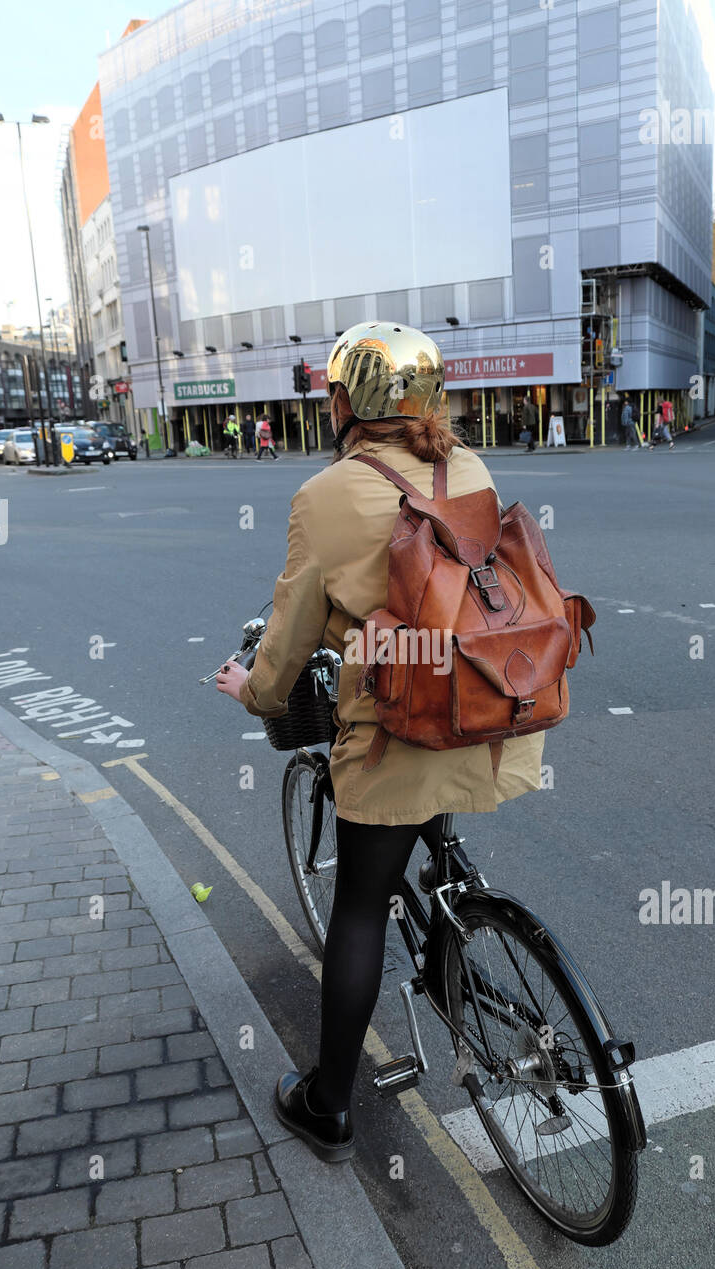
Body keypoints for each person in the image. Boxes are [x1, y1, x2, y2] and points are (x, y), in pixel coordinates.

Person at [215, 322, 548, 1162]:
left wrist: (250, 690)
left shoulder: (324, 496)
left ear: (340, 403)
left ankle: (327, 1103)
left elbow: (288, 642)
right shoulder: (466, 468)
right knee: (427, 828)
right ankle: (456, 929)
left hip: (400, 722)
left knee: (359, 907)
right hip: (489, 707)